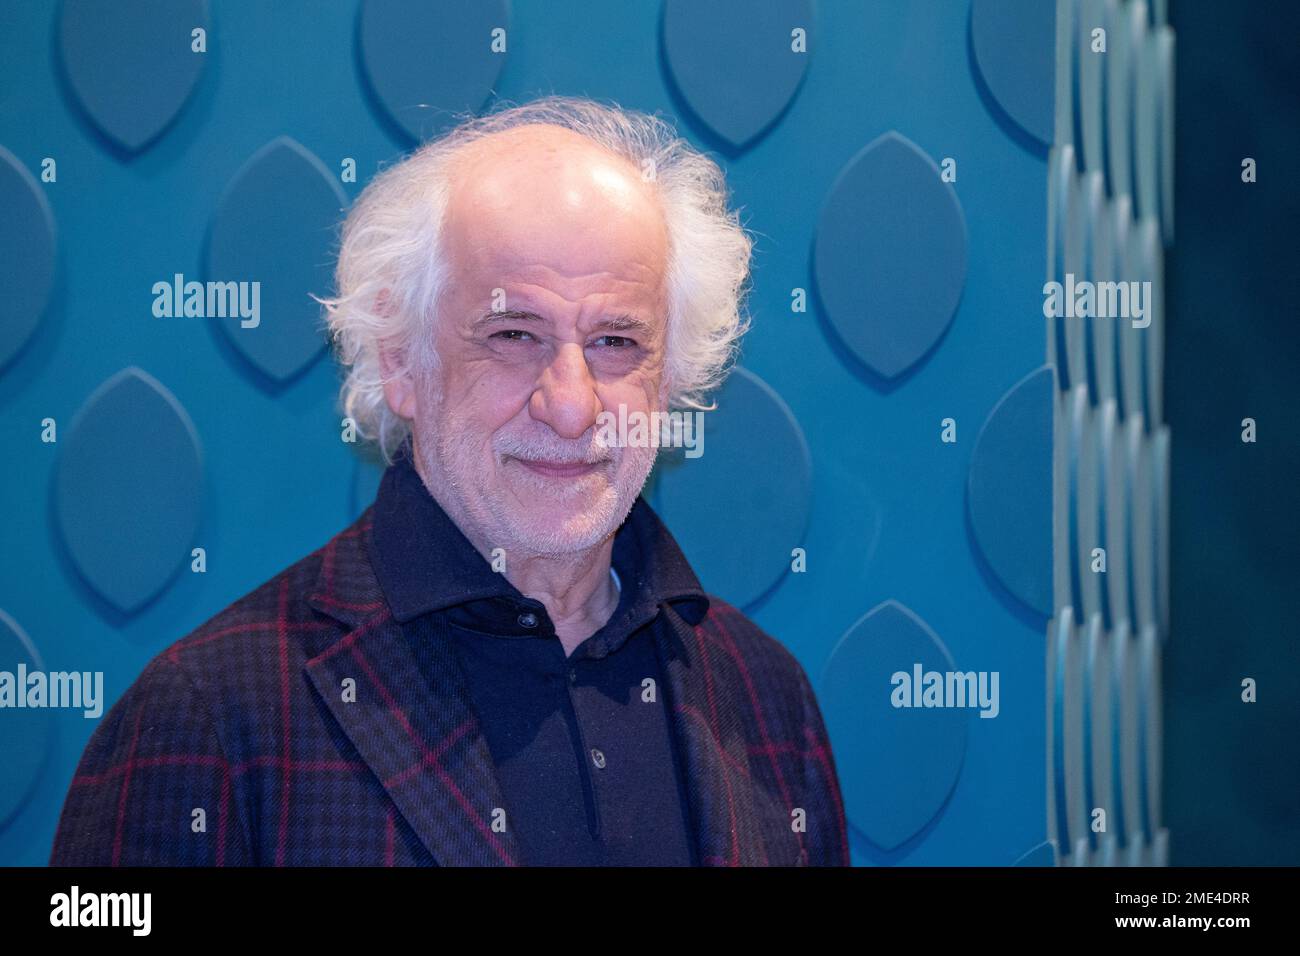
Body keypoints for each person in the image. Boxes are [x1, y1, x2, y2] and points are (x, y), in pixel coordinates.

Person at [49, 96, 849, 867]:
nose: (571, 405)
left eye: (614, 340)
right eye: (512, 333)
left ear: (670, 376)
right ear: (401, 361)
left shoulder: (766, 696)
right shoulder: (212, 714)